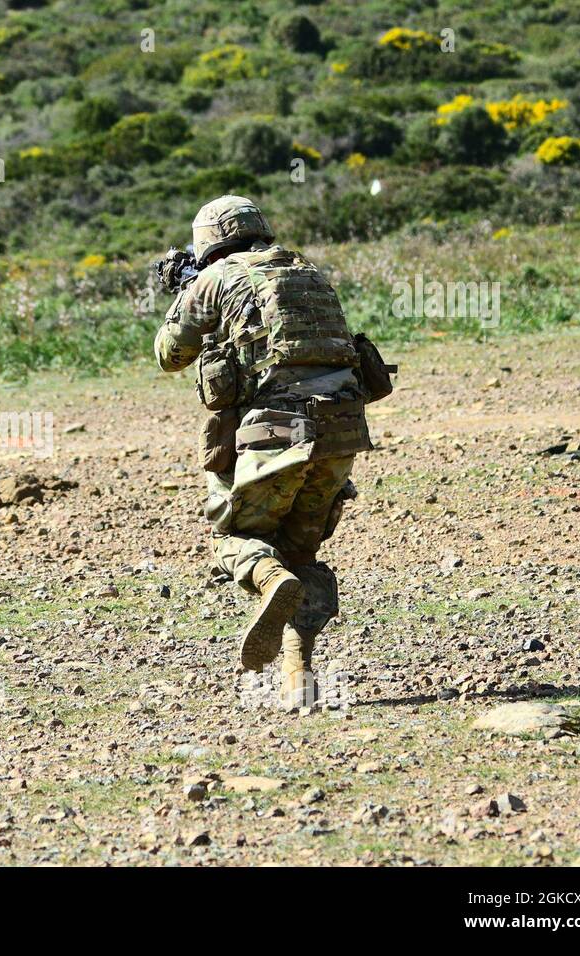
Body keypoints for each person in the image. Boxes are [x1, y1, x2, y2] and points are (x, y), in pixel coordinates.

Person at [154, 195, 382, 709]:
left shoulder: (215, 279)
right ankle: (298, 679)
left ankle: (270, 578)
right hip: (344, 430)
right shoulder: (308, 271)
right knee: (302, 550)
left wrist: (186, 296)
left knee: (240, 538)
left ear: (207, 242)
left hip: (279, 428)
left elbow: (170, 354)